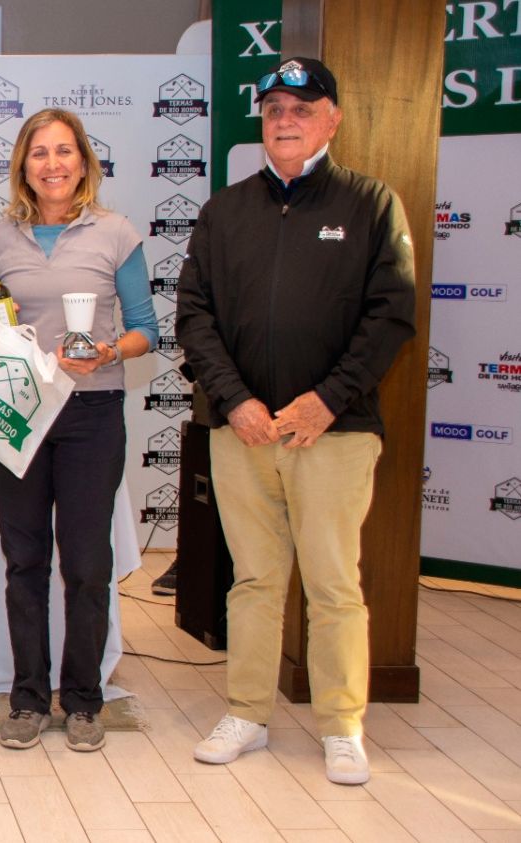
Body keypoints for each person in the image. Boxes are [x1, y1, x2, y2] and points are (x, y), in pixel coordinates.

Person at [176, 57, 415, 785]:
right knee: (252, 581)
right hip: (241, 429)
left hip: (332, 433)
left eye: (302, 108)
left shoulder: (371, 204)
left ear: (332, 119)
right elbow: (195, 316)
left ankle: (343, 724)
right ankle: (247, 711)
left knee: (334, 583)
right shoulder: (226, 211)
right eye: (275, 107)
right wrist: (236, 399)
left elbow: (391, 315)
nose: (286, 119)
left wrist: (329, 398)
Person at [0, 108, 159, 753]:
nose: (52, 164)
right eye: (39, 153)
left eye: (64, 152)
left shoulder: (116, 233)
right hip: (18, 410)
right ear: (23, 164)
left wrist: (107, 353)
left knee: (85, 564)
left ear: (83, 161)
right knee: (24, 561)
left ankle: (82, 699)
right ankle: (27, 698)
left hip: (91, 412)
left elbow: (147, 329)